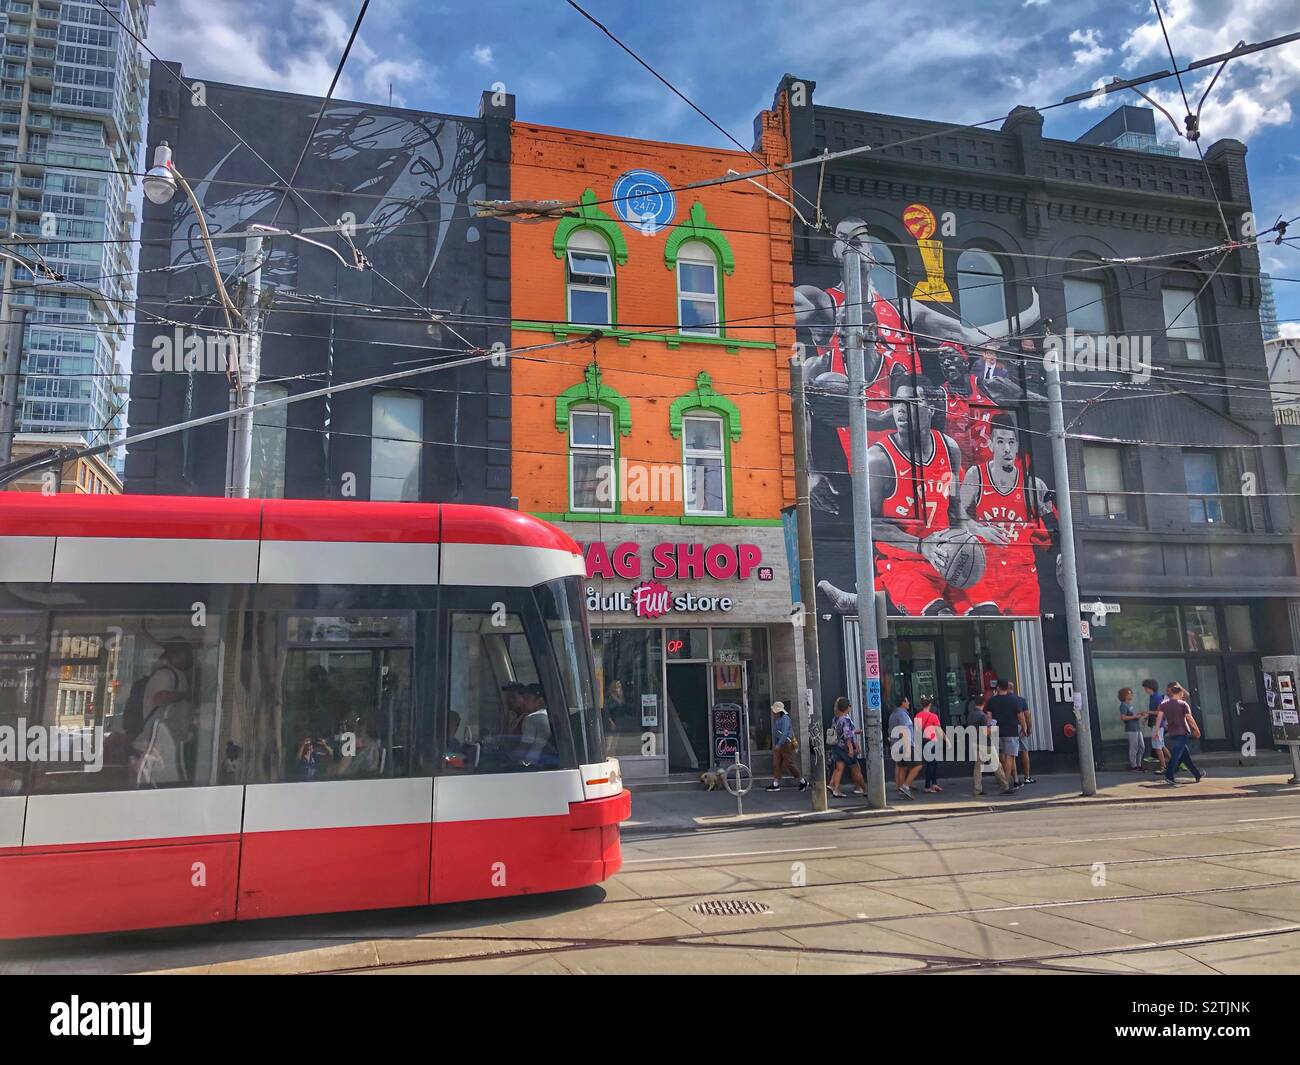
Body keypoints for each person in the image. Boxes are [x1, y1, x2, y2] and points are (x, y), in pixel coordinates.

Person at [131, 641, 195, 788]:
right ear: (176, 655)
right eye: (186, 654)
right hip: (156, 745)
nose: (190, 658)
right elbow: (160, 698)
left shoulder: (175, 674)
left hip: (165, 745)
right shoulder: (166, 674)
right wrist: (185, 695)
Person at [1156, 683, 1204, 785]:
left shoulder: (1163, 704)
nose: (1183, 695)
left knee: (1184, 756)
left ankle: (1197, 774)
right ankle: (1169, 775)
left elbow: (1159, 719)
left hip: (1172, 733)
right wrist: (1196, 729)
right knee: (1176, 755)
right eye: (1182, 693)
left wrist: (1155, 732)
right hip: (1182, 732)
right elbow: (1189, 718)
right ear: (1179, 693)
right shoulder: (1183, 704)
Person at [966, 693, 1007, 795]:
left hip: (975, 743)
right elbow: (986, 732)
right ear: (983, 703)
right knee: (997, 765)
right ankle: (1005, 787)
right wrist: (993, 728)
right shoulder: (982, 716)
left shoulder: (970, 715)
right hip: (986, 744)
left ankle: (977, 789)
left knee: (978, 767)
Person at [827, 696, 868, 798]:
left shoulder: (835, 718)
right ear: (847, 707)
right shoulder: (845, 719)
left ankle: (834, 787)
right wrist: (851, 748)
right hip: (845, 748)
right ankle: (865, 789)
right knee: (855, 767)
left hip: (837, 746)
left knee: (839, 767)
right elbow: (847, 736)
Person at [986, 679, 1022, 794]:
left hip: (996, 732)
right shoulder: (1014, 700)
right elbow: (1020, 715)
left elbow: (989, 718)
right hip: (1011, 731)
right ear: (1007, 688)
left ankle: (1002, 780)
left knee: (1000, 758)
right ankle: (1005, 783)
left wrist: (989, 730)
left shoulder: (991, 701)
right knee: (1010, 758)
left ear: (997, 688)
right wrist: (1024, 727)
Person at [766, 701, 808, 792]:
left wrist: (779, 744)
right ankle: (775, 784)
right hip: (780, 744)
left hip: (786, 743)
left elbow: (785, 733)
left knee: (789, 764)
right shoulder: (778, 719)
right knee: (776, 763)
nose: (773, 712)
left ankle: (802, 781)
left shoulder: (785, 718)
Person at [888, 695, 921, 799]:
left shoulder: (893, 714)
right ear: (903, 703)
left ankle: (902, 792)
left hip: (896, 745)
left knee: (902, 767)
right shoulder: (902, 715)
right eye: (907, 701)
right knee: (918, 765)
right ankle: (905, 786)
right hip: (904, 744)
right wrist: (908, 746)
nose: (909, 703)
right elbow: (903, 731)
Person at [915, 697, 944, 793]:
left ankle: (934, 784)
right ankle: (928, 786)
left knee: (931, 763)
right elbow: (939, 730)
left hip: (923, 741)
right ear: (930, 705)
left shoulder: (917, 716)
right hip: (932, 741)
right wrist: (946, 740)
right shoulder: (933, 716)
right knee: (932, 764)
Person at [1011, 681, 1036, 785]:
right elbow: (1027, 715)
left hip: (1007, 728)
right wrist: (1028, 727)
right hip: (1020, 727)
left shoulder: (1001, 700)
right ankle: (1027, 777)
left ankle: (1014, 778)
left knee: (1010, 755)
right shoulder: (1021, 700)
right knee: (1024, 751)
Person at [1142, 678, 1168, 774]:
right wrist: (1146, 717)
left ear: (1150, 688)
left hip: (1158, 725)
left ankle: (1163, 767)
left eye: (1145, 688)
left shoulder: (1156, 697)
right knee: (1162, 745)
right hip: (1156, 723)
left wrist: (1148, 712)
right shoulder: (1152, 697)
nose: (1145, 690)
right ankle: (1174, 762)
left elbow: (1159, 712)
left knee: (1157, 747)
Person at [1118, 687, 1145, 770]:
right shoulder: (1123, 705)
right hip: (1131, 729)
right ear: (1124, 696)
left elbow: (1132, 715)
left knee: (1141, 746)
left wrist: (1139, 714)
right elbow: (1123, 717)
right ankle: (1133, 765)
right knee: (1134, 747)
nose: (1131, 695)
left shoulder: (1130, 704)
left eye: (1131, 693)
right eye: (1128, 694)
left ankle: (1139, 764)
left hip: (1137, 728)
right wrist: (1135, 716)